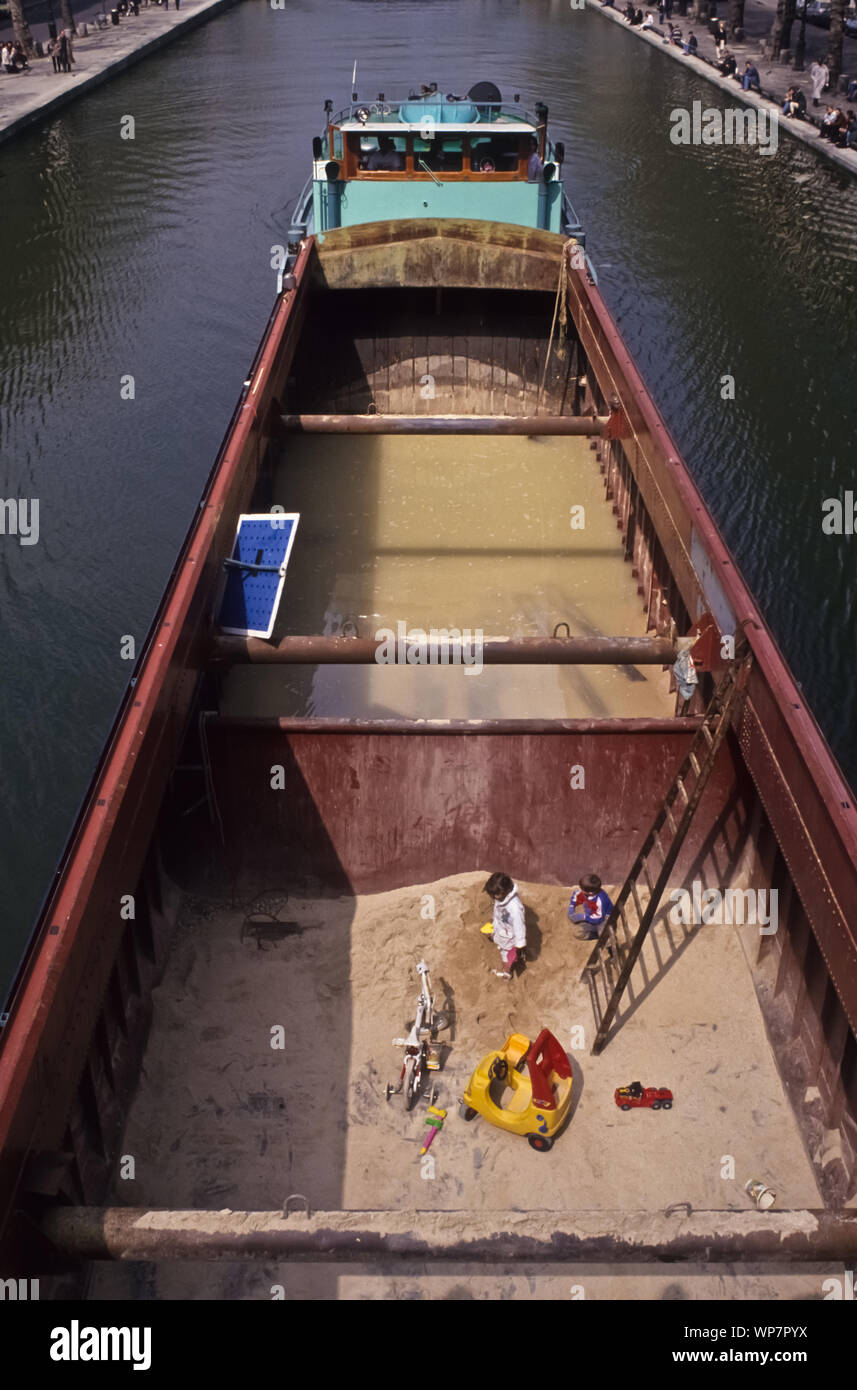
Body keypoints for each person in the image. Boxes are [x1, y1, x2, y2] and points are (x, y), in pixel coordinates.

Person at [483, 873, 527, 980]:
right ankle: (509, 965)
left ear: (503, 891)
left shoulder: (515, 908)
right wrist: (494, 926)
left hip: (509, 938)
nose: (493, 898)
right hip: (503, 930)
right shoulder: (501, 899)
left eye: (495, 895)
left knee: (506, 955)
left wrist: (519, 946)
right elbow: (498, 915)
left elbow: (519, 927)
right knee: (504, 950)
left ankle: (506, 972)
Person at [568, 873, 615, 942]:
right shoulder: (586, 891)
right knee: (577, 932)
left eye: (581, 889)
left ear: (590, 893)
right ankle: (595, 933)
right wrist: (571, 907)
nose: (579, 889)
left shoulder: (600, 900)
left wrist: (583, 917)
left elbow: (599, 918)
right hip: (592, 913)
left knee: (606, 939)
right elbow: (576, 895)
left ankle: (605, 940)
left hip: (604, 918)